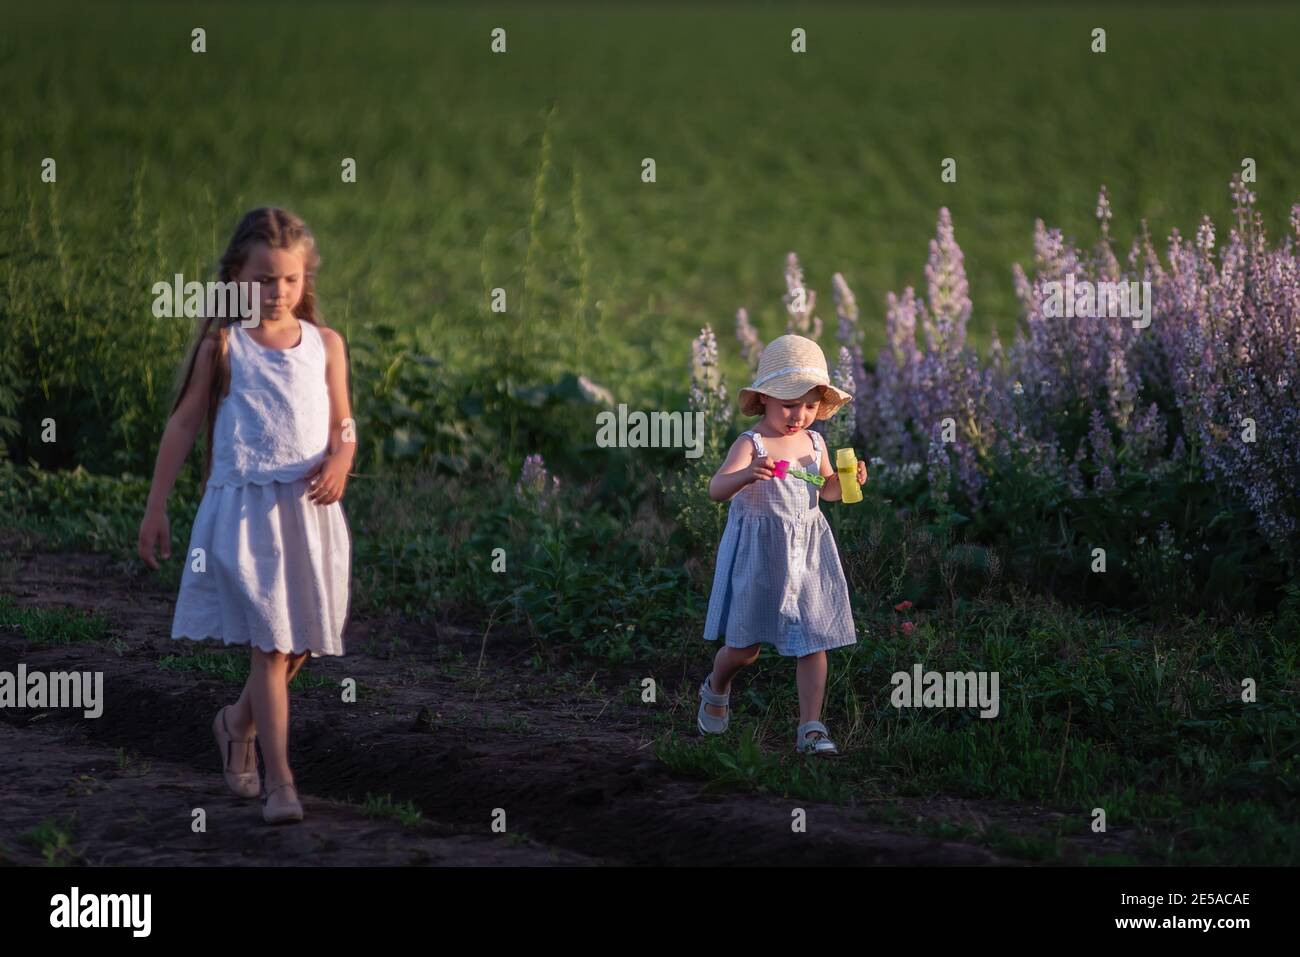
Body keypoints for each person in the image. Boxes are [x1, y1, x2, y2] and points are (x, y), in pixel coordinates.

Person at [138, 208, 354, 823]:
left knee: (300, 643)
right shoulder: (225, 346)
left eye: (288, 279)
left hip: (309, 514)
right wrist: (156, 508)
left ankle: (235, 722)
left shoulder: (326, 345)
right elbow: (182, 425)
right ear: (236, 276)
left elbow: (344, 422)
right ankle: (280, 782)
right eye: (264, 279)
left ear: (304, 279)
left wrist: (342, 454)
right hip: (244, 514)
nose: (277, 292)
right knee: (270, 642)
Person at [699, 334, 865, 755]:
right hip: (760, 553)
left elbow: (823, 490)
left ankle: (811, 727)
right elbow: (717, 489)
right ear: (765, 399)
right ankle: (716, 687)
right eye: (790, 404)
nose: (800, 415)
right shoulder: (750, 444)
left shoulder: (813, 443)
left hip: (807, 551)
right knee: (745, 648)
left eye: (810, 405)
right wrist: (747, 473)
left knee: (813, 640)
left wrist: (846, 483)